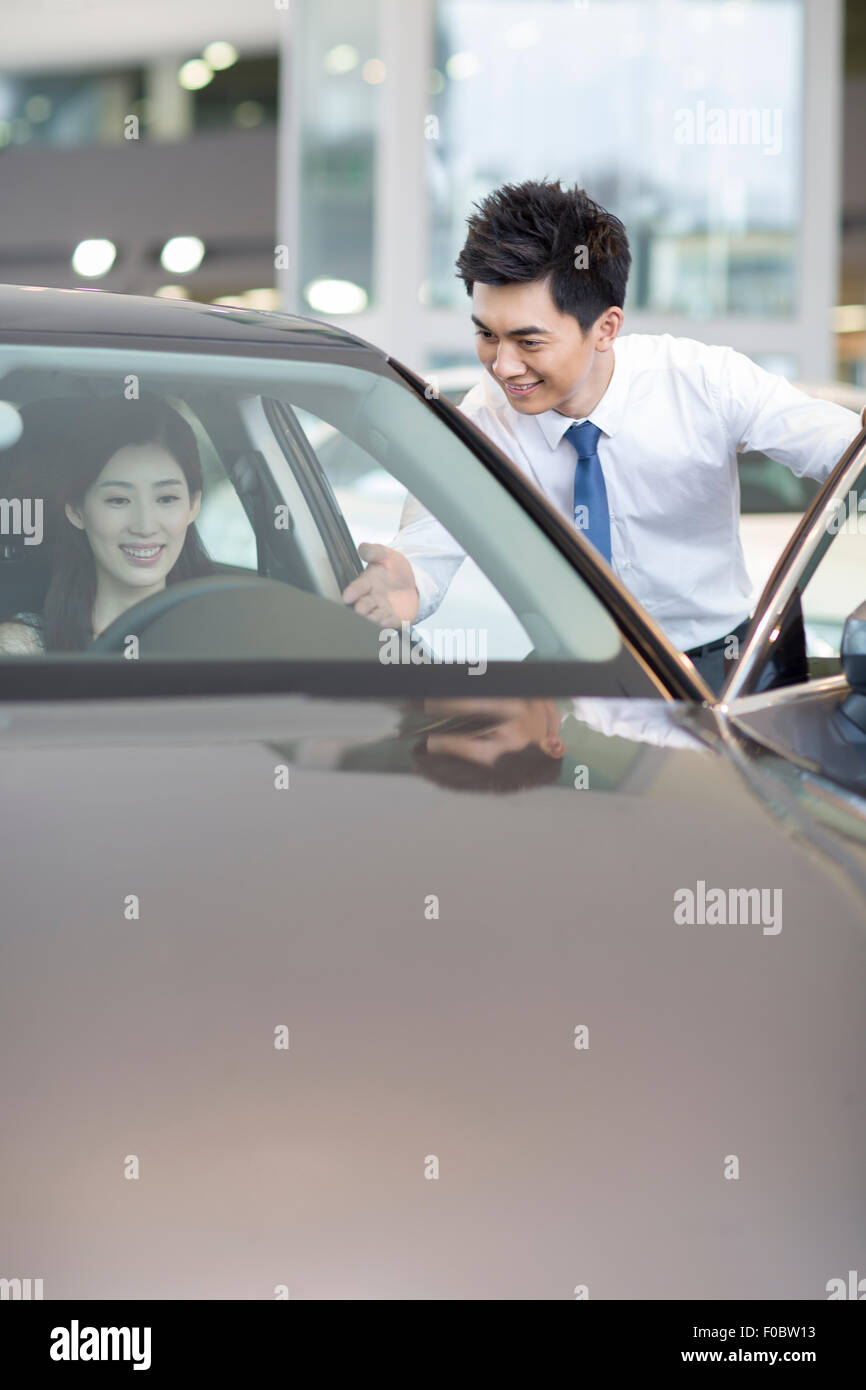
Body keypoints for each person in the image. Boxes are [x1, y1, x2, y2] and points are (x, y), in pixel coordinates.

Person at [341, 179, 866, 693]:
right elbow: (428, 546)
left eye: (528, 340)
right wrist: (405, 581)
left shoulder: (703, 381)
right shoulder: (484, 417)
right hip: (573, 677)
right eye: (486, 334)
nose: (502, 365)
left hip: (718, 671)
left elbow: (840, 449)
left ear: (606, 328)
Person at [0, 394, 213, 654]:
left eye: (167, 498)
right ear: (76, 511)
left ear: (193, 505)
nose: (144, 526)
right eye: (118, 500)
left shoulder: (229, 636)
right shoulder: (23, 648)